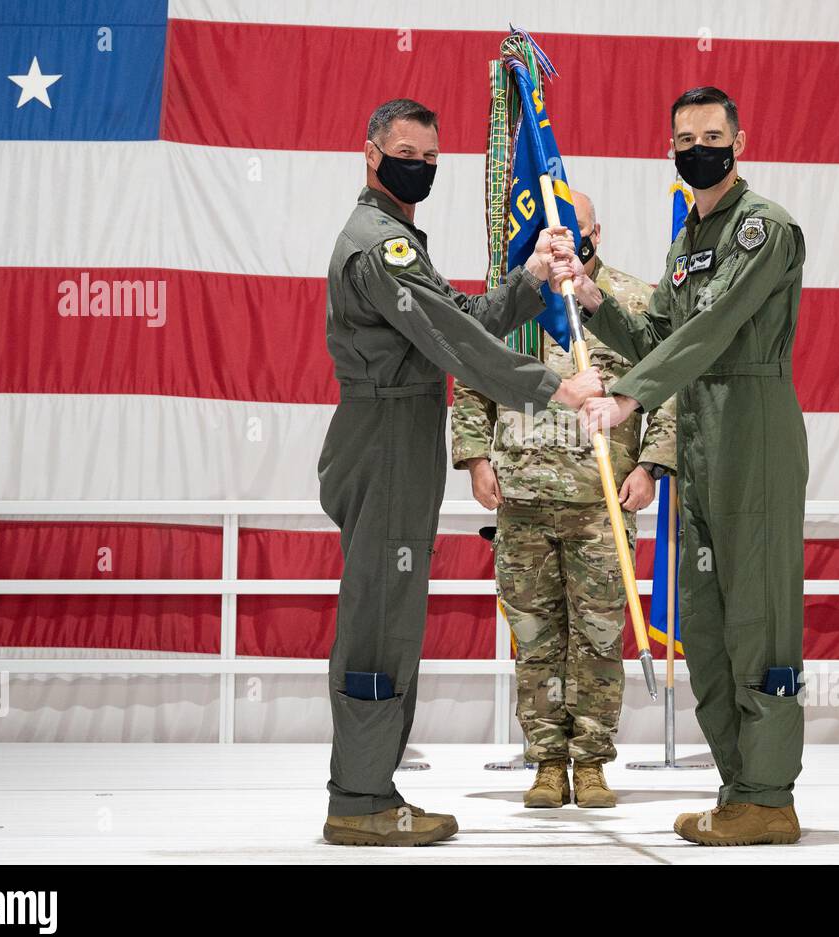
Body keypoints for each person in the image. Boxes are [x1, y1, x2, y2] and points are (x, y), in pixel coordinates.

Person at [317, 98, 602, 847]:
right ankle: (360, 797)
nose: (420, 166)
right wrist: (551, 388)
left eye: (433, 158)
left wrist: (533, 278)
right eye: (407, 152)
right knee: (382, 617)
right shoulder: (381, 246)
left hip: (397, 431)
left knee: (392, 609)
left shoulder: (398, 239)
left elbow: (458, 319)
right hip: (384, 436)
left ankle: (369, 787)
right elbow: (454, 341)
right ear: (372, 152)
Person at [564, 87, 809, 846]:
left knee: (757, 619)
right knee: (705, 624)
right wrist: (592, 295)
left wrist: (631, 398)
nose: (697, 145)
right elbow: (656, 333)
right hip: (701, 428)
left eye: (711, 134)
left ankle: (770, 794)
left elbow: (714, 327)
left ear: (740, 139)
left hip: (753, 429)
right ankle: (739, 791)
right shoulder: (688, 242)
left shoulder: (764, 229)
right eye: (684, 136)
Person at [452, 191, 677, 809]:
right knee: (537, 640)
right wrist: (475, 460)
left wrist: (653, 466)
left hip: (600, 503)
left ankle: (594, 762)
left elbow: (665, 383)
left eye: (571, 234)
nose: (558, 246)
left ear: (594, 234)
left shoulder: (628, 301)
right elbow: (470, 380)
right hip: (521, 502)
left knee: (600, 642)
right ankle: (548, 762)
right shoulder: (512, 305)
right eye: (547, 234)